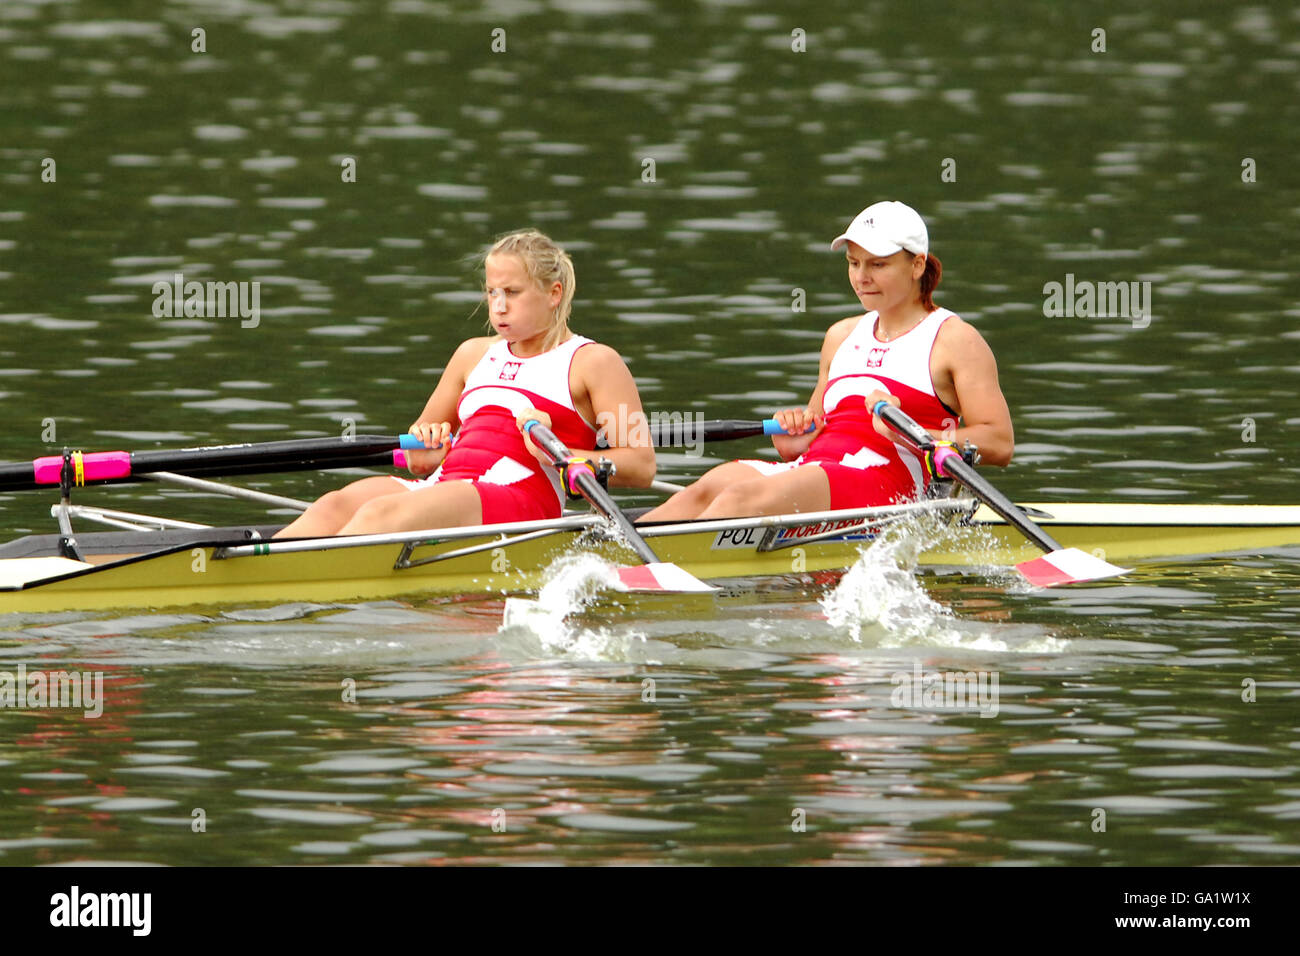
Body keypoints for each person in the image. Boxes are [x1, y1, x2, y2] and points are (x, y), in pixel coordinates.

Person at [640, 200, 1013, 522]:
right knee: (708, 487)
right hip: (816, 469)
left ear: (917, 266)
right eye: (854, 263)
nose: (861, 277)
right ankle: (614, 557)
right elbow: (810, 435)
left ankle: (659, 568)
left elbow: (998, 442)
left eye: (878, 265)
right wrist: (793, 437)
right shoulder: (841, 335)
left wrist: (917, 435)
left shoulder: (954, 340)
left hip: (888, 488)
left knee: (740, 499)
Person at [275, 229, 654, 537]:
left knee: (379, 513)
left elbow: (640, 465)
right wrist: (423, 453)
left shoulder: (593, 362)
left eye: (513, 292)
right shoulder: (472, 354)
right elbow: (419, 453)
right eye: (492, 292)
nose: (499, 306)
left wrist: (558, 455)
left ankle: (308, 584)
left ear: (554, 294)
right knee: (334, 504)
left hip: (523, 499)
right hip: (445, 485)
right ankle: (264, 572)